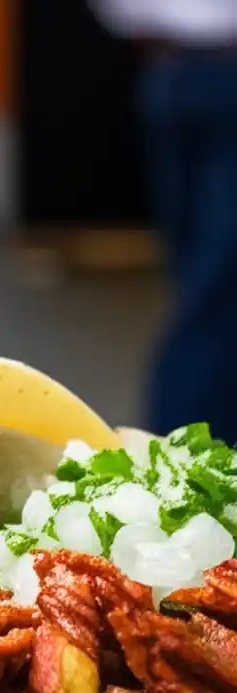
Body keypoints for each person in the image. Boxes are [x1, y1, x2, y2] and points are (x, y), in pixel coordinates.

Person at [91, 1, 237, 439]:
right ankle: (185, 463)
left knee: (206, 287)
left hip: (170, 70)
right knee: (215, 295)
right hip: (191, 76)